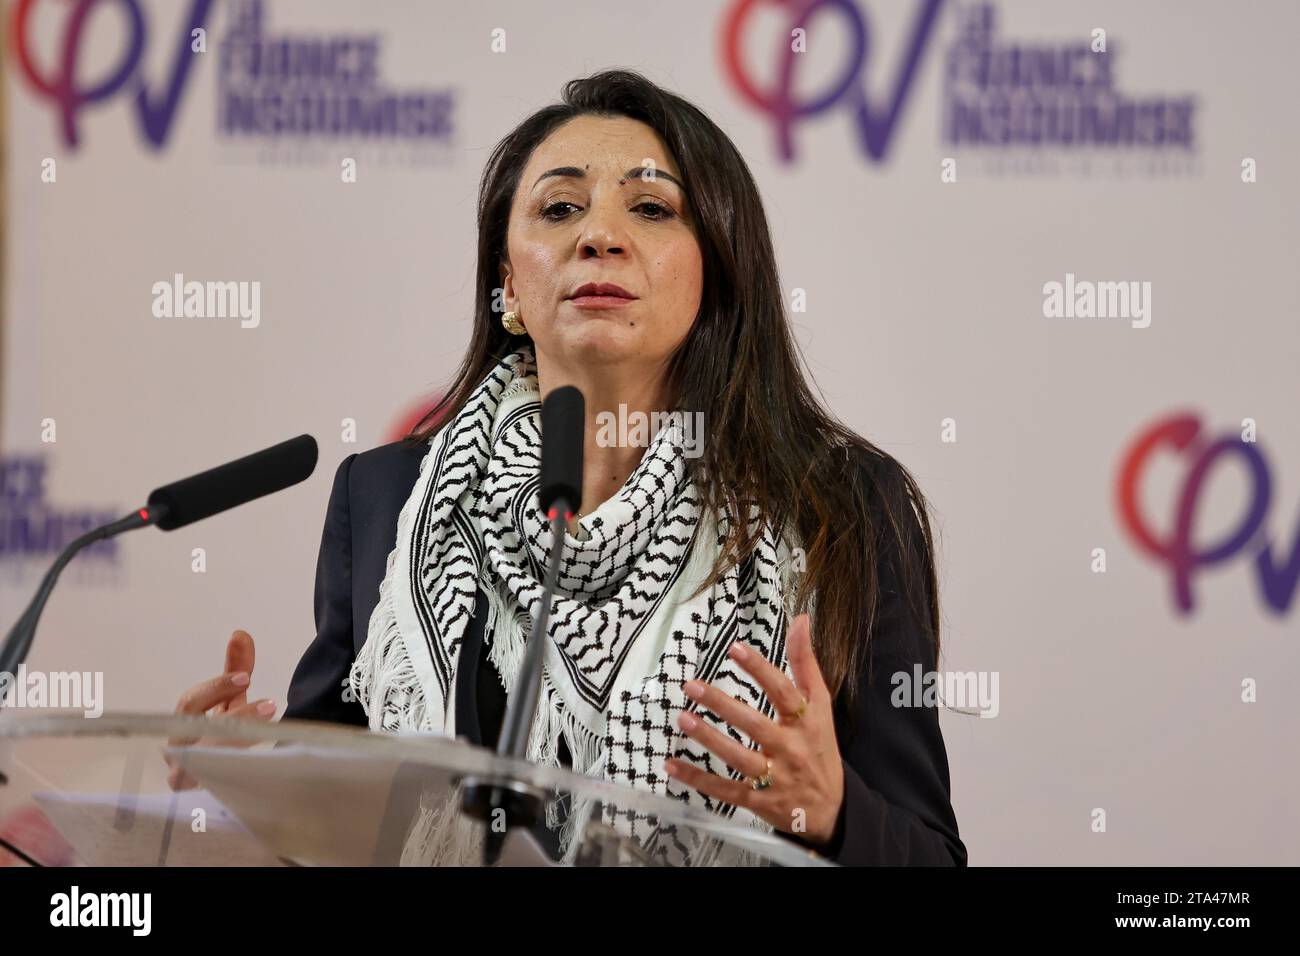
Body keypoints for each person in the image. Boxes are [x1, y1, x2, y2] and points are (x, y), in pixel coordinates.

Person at [173, 70, 967, 867]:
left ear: (718, 271)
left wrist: (832, 815)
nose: (599, 237)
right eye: (559, 208)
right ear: (509, 283)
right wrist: (253, 786)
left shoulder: (843, 508)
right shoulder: (387, 497)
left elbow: (929, 856)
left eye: (651, 209)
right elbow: (335, 824)